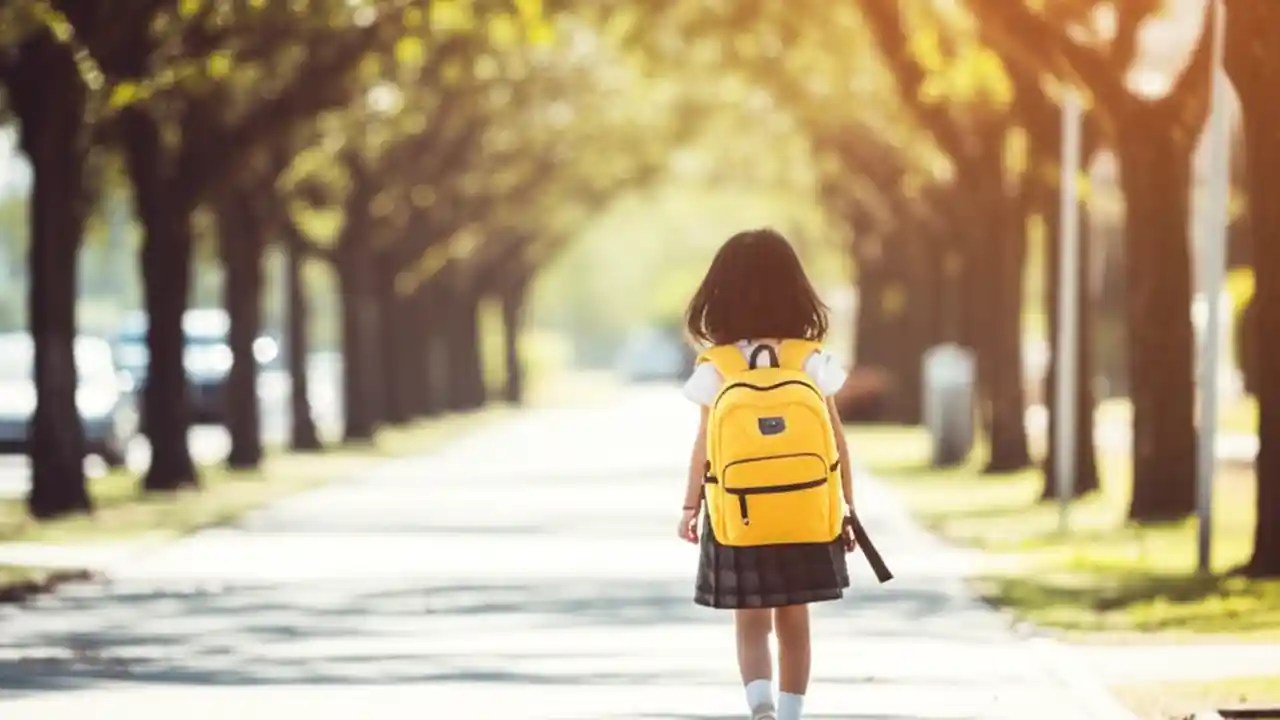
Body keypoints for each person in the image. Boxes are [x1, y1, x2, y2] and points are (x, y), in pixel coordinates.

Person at [677, 228, 857, 720]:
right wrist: (848, 509)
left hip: (740, 512)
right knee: (794, 618)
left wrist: (691, 507)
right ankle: (792, 713)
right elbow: (837, 442)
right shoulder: (810, 360)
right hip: (806, 508)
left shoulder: (718, 366)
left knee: (750, 619)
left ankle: (761, 710)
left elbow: (704, 446)